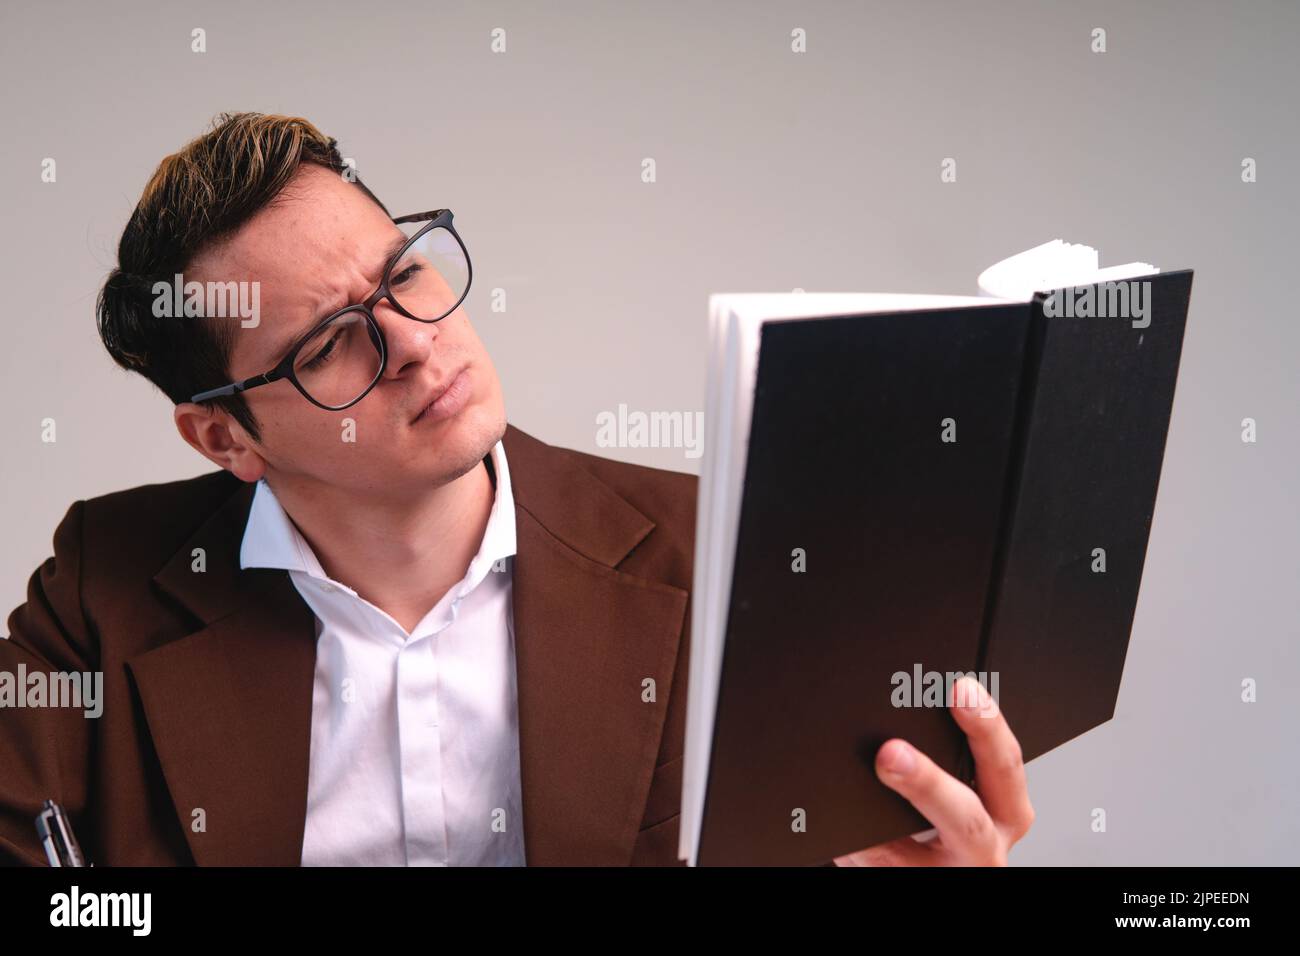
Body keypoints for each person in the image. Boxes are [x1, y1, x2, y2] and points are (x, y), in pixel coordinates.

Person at [0, 113, 1033, 866]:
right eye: (326, 342)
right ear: (226, 435)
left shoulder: (721, 554)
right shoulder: (105, 590)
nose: (412, 340)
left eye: (401, 273)